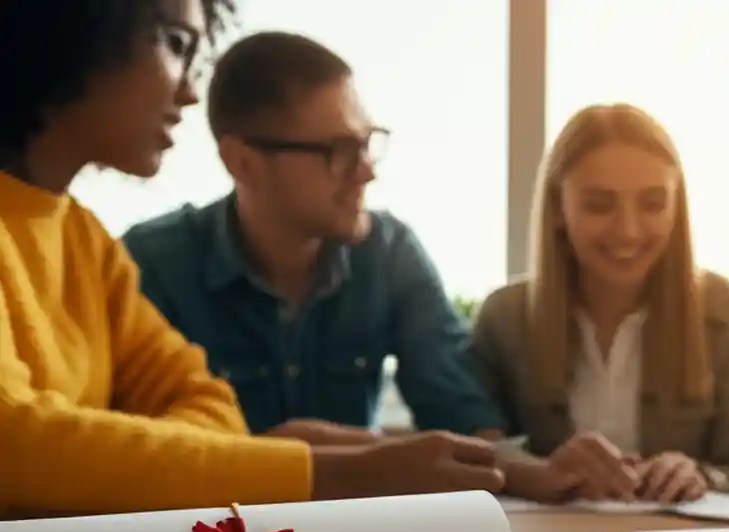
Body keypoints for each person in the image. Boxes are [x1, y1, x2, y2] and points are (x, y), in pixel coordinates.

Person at [0, 0, 502, 519]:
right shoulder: (143, 252)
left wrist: (112, 463)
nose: (190, 93)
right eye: (175, 43)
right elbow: (13, 446)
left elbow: (216, 410)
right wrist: (346, 472)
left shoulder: (85, 240)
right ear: (76, 27)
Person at [122, 32, 504, 445]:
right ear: (243, 163)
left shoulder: (389, 253)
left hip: (356, 512)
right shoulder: (151, 267)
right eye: (338, 151)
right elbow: (142, 452)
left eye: (366, 144)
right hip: (216, 512)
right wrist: (352, 456)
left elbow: (469, 423)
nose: (366, 172)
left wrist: (533, 470)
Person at [472, 104, 729, 504]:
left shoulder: (720, 309)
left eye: (653, 204)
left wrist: (701, 476)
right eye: (599, 205)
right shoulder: (504, 318)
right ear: (559, 207)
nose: (628, 231)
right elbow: (473, 453)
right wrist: (541, 472)